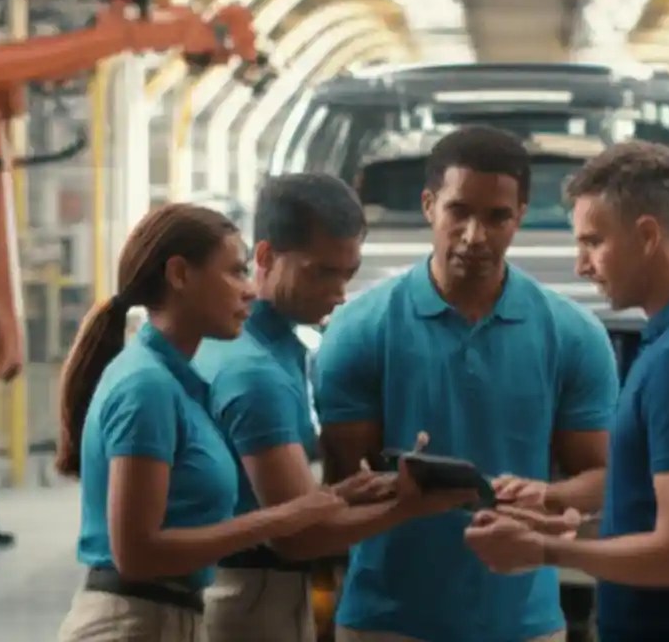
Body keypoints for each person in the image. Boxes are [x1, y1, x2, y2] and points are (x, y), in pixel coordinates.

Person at [312, 125, 620, 642]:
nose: (475, 236)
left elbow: (603, 476)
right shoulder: (360, 329)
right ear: (430, 205)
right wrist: (403, 490)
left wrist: (546, 494)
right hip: (384, 624)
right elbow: (346, 489)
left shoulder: (573, 334)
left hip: (524, 625)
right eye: (459, 212)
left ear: (520, 215)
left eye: (497, 216)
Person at [464, 141, 669, 642]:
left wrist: (544, 553)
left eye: (593, 242)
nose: (582, 266)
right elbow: (657, 504)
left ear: (647, 235)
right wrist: (552, 516)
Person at [192, 173, 474, 642]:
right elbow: (298, 534)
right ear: (264, 257)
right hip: (252, 596)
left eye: (348, 273)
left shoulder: (265, 346)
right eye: (321, 272)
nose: (340, 293)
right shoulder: (255, 371)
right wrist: (410, 506)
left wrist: (363, 489)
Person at [54, 202, 346, 642]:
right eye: (234, 272)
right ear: (179, 275)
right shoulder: (146, 387)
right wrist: (281, 518)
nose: (249, 290)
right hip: (132, 625)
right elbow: (137, 554)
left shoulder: (180, 382)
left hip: (167, 620)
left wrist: (339, 497)